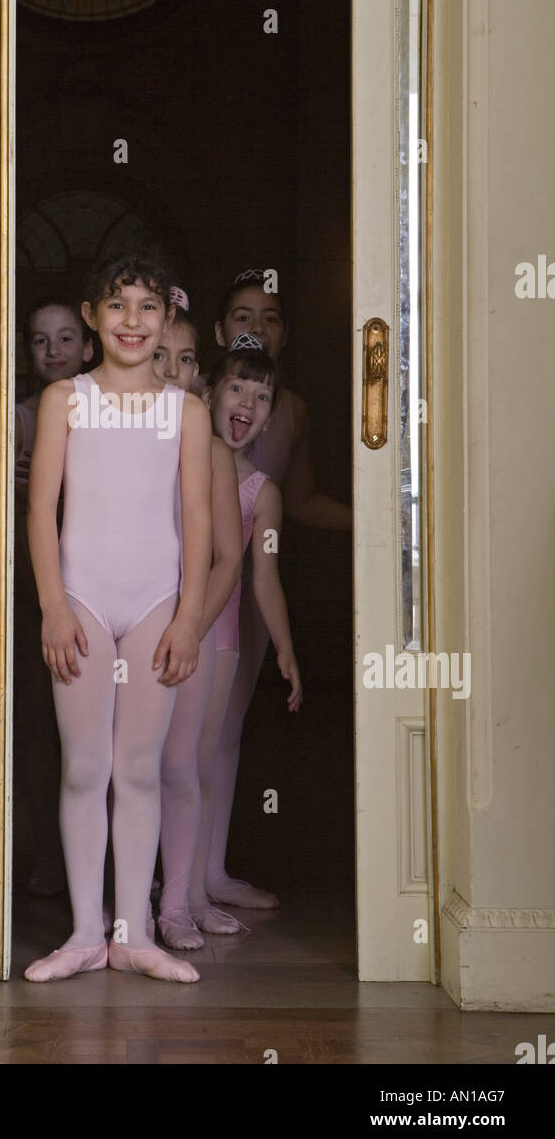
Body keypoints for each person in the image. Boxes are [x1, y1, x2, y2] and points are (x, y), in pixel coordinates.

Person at [24, 255, 213, 983]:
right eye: (118, 306)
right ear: (92, 315)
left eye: (147, 307)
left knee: (139, 768)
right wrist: (52, 605)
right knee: (85, 768)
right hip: (82, 602)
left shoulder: (186, 411)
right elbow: (42, 509)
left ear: (166, 320)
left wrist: (189, 617)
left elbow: (197, 520)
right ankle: (81, 934)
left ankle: (132, 933)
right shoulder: (65, 399)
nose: (133, 321)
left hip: (156, 604)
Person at [207, 269, 348, 909]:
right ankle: (156, 885)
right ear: (218, 333)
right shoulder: (188, 401)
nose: (256, 328)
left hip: (246, 603)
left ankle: (207, 874)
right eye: (242, 316)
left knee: (224, 734)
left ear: (286, 332)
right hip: (182, 594)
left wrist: (383, 522)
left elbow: (300, 501)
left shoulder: (289, 412)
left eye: (270, 317)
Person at [151, 290, 244, 950]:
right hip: (126, 628)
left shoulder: (212, 450)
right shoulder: (107, 437)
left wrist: (191, 631)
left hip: (193, 632)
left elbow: (228, 557)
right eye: (160, 355)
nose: (173, 371)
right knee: (122, 770)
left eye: (186, 360)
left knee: (180, 767)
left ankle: (180, 902)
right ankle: (121, 904)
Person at [14, 298, 94, 897]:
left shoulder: (112, 411)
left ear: (88, 345)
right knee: (40, 722)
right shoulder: (13, 418)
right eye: (40, 341)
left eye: (66, 337)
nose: (54, 350)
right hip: (32, 583)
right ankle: (47, 861)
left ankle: (111, 873)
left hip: (96, 581)